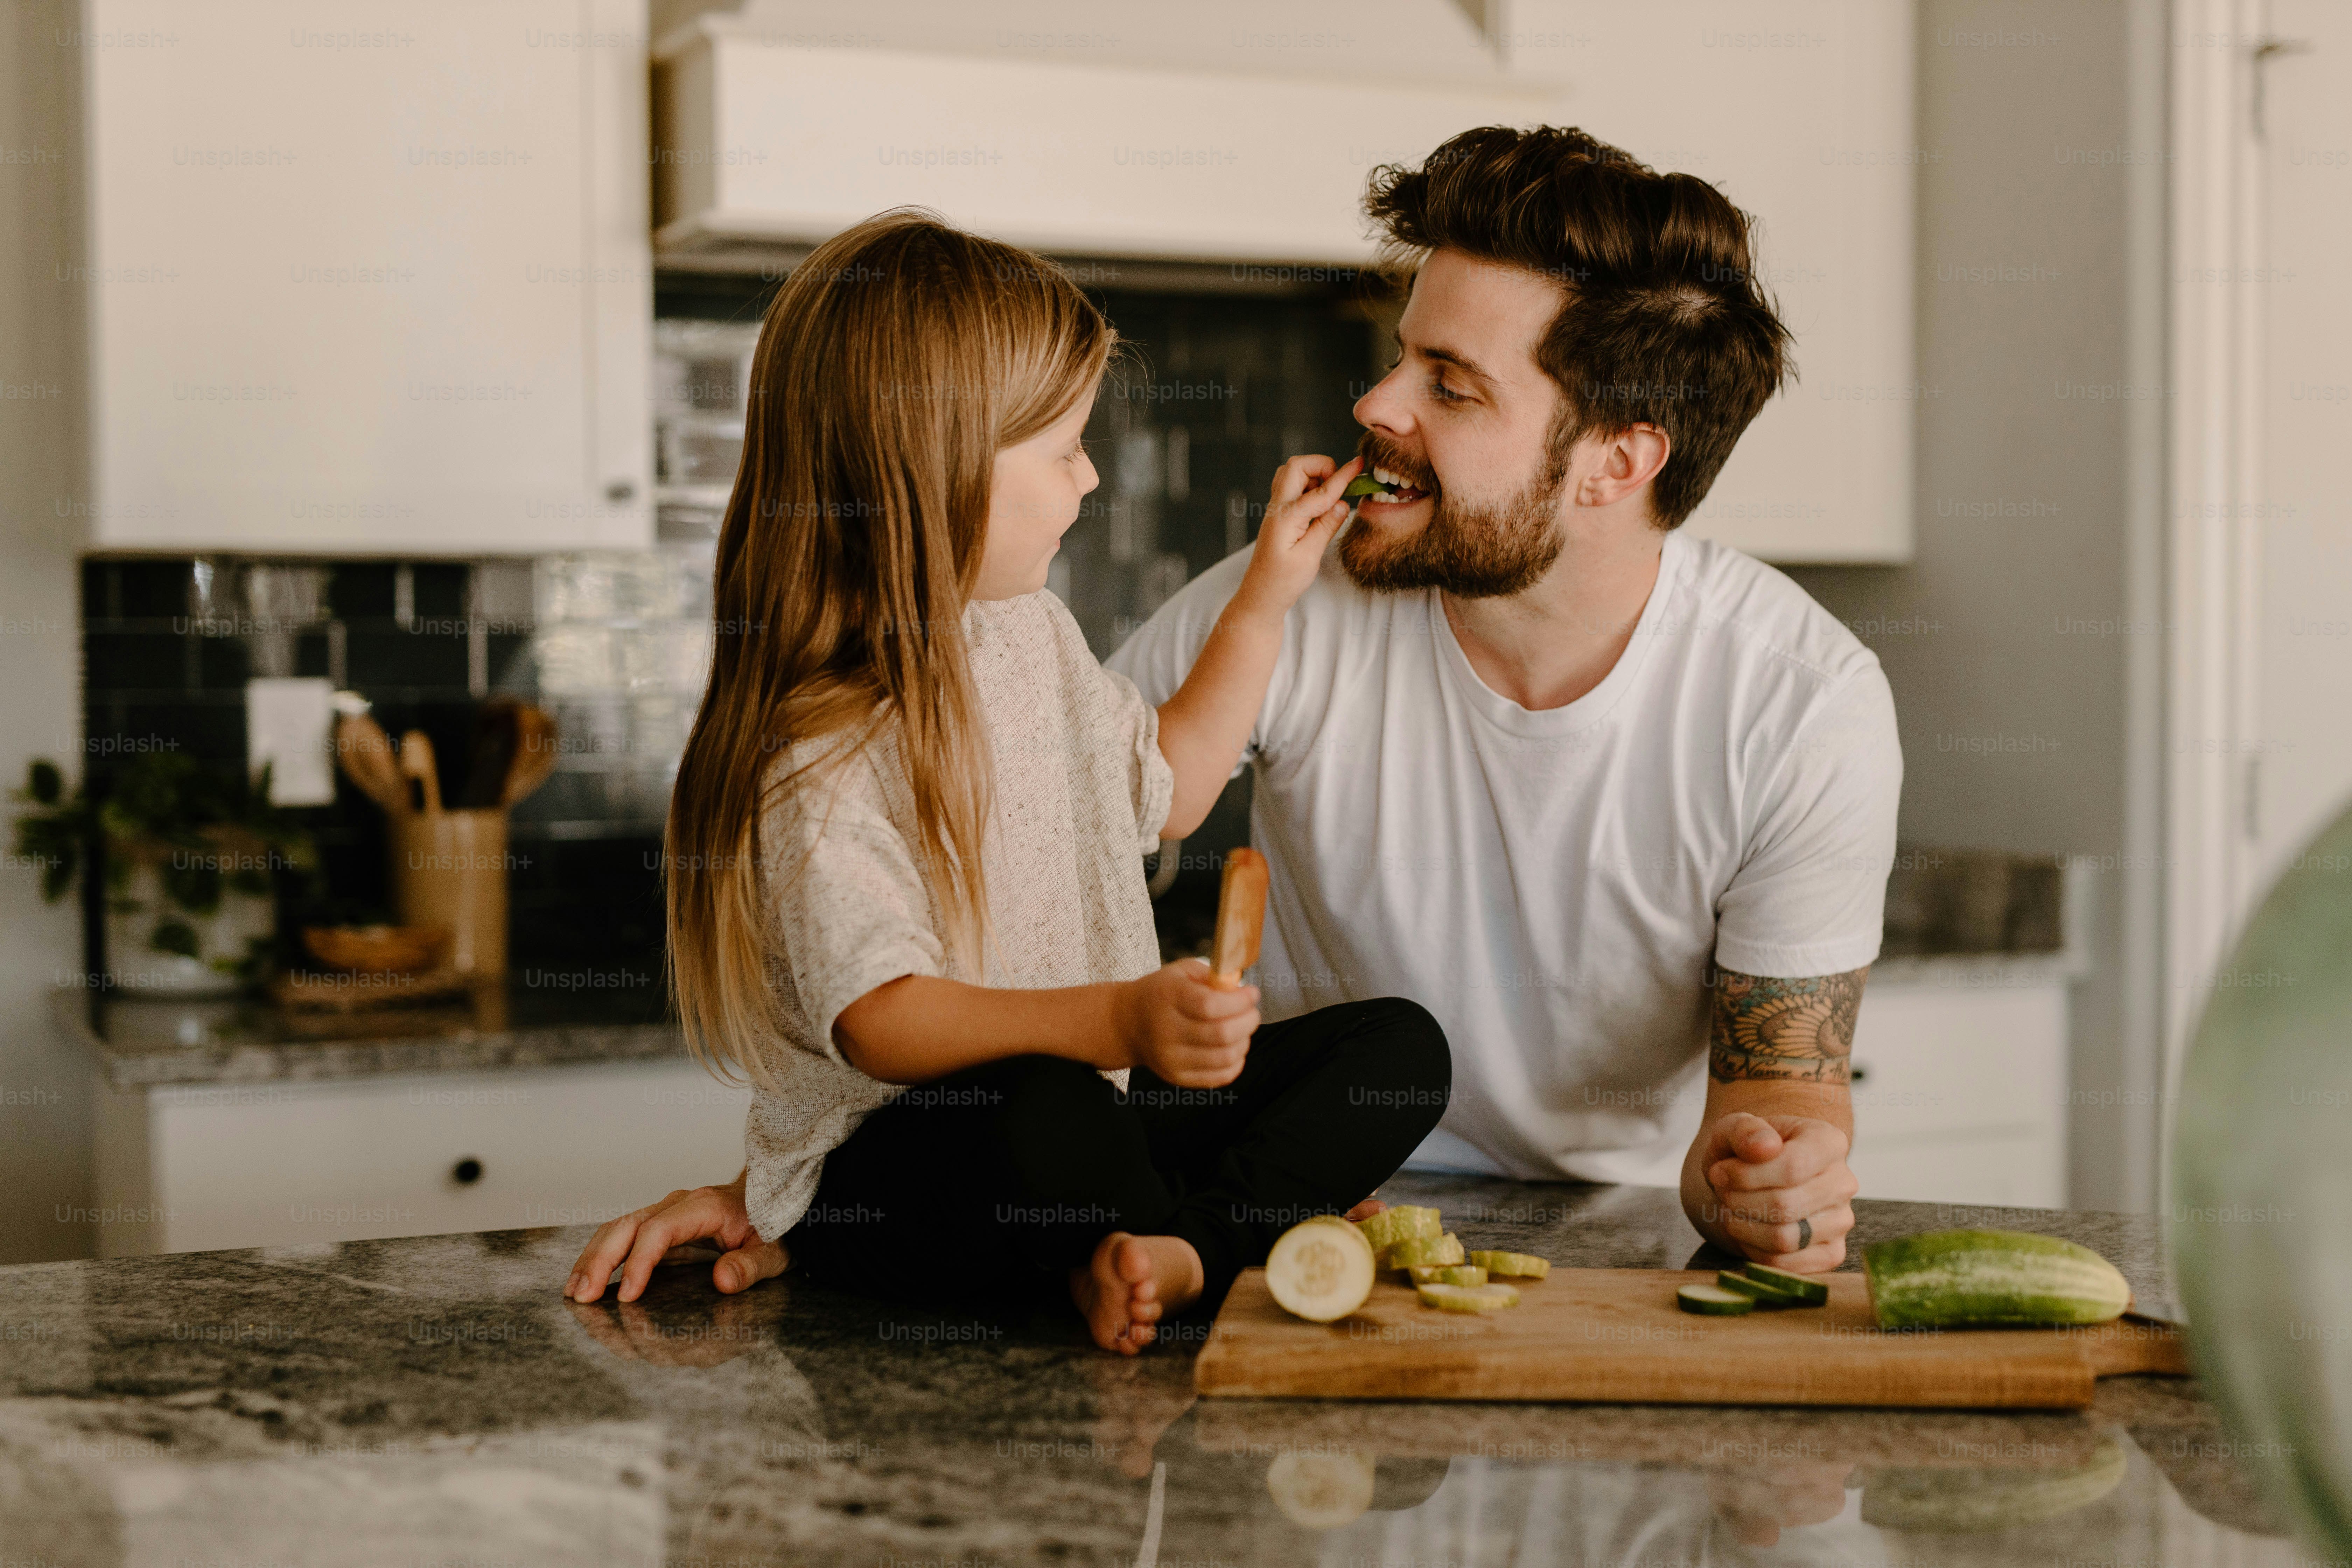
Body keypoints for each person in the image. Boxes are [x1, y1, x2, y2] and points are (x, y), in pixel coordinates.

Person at [565, 211, 1450, 1352]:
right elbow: (884, 1023)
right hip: (915, 1173)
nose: (1089, 475)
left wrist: (1270, 594)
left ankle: (1169, 1253)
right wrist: (1122, 1016)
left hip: (1097, 1121)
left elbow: (1172, 792)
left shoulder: (1029, 634)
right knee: (1049, 1105)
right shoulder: (821, 742)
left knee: (1393, 1050)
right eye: (1065, 447)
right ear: (937, 467)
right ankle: (1233, 1230)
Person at [1111, 126, 1902, 1273]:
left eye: (1451, 386)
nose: (1379, 404)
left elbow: (1780, 1083)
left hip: (1607, 1247)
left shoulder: (1802, 706)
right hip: (1283, 1211)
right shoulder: (1285, 600)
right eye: (1401, 358)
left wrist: (1768, 1174)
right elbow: (1024, 842)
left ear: (1616, 464)